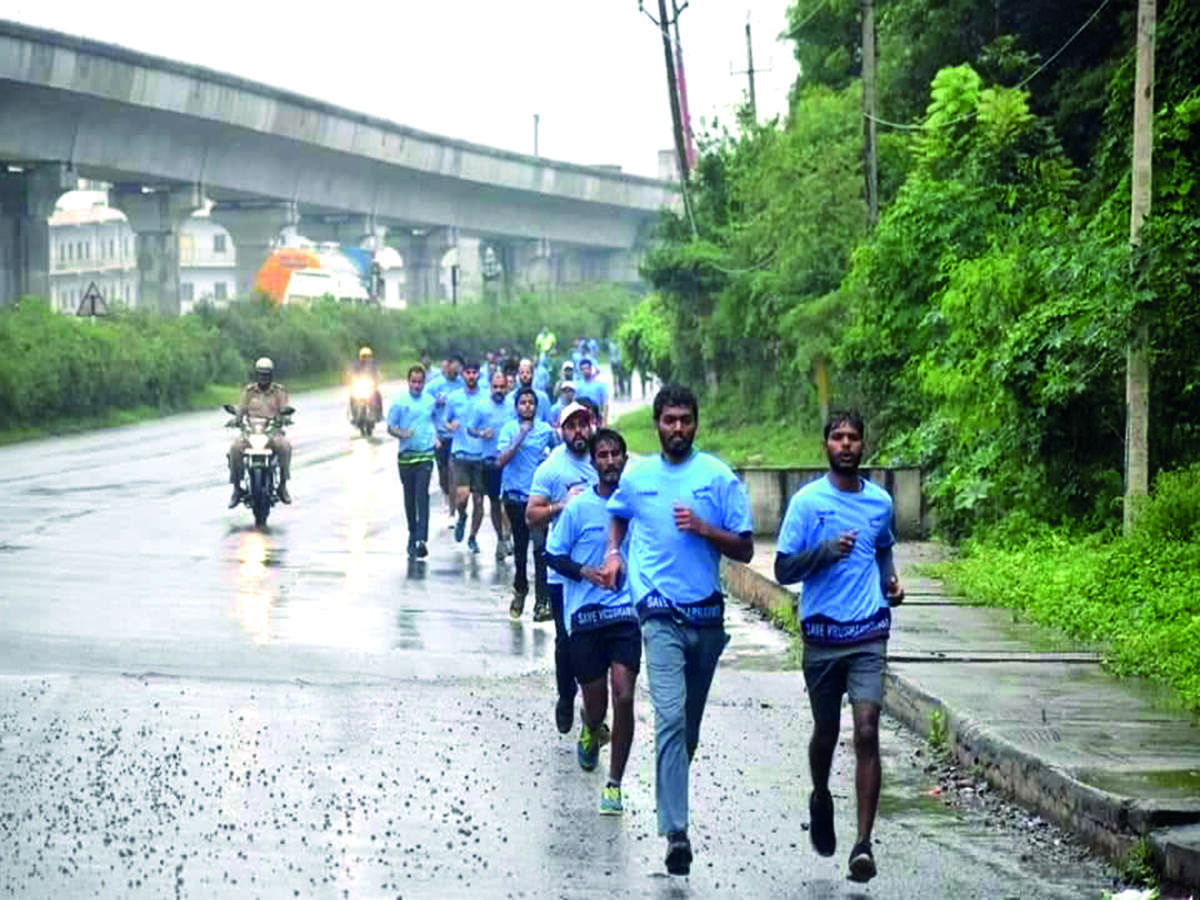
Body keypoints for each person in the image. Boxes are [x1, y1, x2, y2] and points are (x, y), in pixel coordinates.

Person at [599, 383, 754, 876]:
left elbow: (746, 549)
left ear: (696, 423)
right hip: (658, 613)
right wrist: (613, 552)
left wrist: (707, 529)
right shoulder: (639, 476)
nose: (678, 428)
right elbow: (618, 515)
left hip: (706, 617)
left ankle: (672, 785)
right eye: (669, 420)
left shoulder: (718, 478)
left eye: (686, 419)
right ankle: (677, 833)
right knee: (668, 718)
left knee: (686, 729)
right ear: (657, 423)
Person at [773, 409, 904, 884]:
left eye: (853, 438)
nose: (846, 444)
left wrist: (890, 580)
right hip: (823, 635)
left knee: (867, 730)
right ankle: (821, 794)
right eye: (837, 437)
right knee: (826, 731)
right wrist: (826, 551)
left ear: (864, 445)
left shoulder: (880, 502)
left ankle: (863, 845)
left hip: (869, 630)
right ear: (825, 445)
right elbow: (784, 569)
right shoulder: (808, 503)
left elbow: (883, 546)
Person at [545, 428, 639, 814]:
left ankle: (614, 785)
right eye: (603, 455)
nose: (610, 461)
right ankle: (590, 728)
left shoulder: (636, 504)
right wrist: (584, 572)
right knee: (596, 706)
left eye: (616, 454)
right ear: (594, 462)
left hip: (625, 616)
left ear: (625, 459)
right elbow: (553, 556)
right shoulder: (579, 507)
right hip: (584, 618)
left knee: (625, 695)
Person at [527, 402, 598, 724]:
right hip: (563, 572)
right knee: (566, 638)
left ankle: (594, 703)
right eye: (571, 426)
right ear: (561, 430)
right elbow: (532, 515)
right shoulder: (551, 468)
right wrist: (561, 505)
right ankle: (566, 695)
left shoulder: (605, 459)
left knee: (598, 638)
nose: (578, 431)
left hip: (600, 570)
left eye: (583, 424)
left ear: (592, 425)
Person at [497, 387, 558, 618]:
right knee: (520, 550)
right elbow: (501, 460)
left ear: (536, 406)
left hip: (538, 500)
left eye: (531, 403)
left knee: (540, 549)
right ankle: (520, 588)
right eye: (522, 403)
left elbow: (558, 453)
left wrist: (548, 457)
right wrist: (520, 436)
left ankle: (542, 602)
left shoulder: (545, 430)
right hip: (514, 498)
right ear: (516, 407)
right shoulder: (508, 429)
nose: (527, 406)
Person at [387, 365, 437, 559]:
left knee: (422, 494)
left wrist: (439, 435)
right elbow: (391, 427)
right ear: (408, 382)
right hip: (406, 456)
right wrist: (402, 433)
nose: (417, 385)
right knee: (409, 497)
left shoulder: (430, 401)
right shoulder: (400, 402)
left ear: (424, 382)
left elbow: (438, 419)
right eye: (413, 382)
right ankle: (412, 532)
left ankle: (422, 539)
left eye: (420, 382)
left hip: (425, 455)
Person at [228, 357, 293, 507]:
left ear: (271, 375)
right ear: (256, 375)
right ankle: (237, 489)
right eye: (261, 374)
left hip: (272, 431)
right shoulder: (249, 391)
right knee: (234, 448)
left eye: (266, 375)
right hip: (251, 432)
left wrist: (285, 418)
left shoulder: (279, 391)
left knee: (285, 447)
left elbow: (285, 409)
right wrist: (236, 419)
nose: (263, 378)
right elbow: (242, 409)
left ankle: (282, 486)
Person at [466, 369, 513, 558]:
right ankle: (500, 538)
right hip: (490, 462)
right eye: (495, 387)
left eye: (502, 387)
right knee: (495, 502)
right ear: (490, 387)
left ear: (508, 387)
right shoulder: (481, 407)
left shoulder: (512, 406)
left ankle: (509, 534)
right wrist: (480, 434)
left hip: (511, 462)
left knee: (509, 502)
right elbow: (470, 428)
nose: (499, 390)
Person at [446, 361, 485, 548]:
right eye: (468, 372)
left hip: (481, 454)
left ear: (479, 375)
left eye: (474, 372)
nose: (471, 376)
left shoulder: (486, 396)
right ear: (463, 375)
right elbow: (446, 420)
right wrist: (450, 426)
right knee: (462, 495)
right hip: (460, 452)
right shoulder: (454, 398)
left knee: (478, 499)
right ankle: (461, 515)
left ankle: (473, 537)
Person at [425, 355, 463, 515]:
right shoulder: (434, 386)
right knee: (443, 473)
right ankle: (447, 493)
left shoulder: (462, 385)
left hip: (457, 438)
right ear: (447, 365)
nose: (457, 371)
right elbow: (425, 412)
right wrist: (433, 435)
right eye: (455, 367)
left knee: (453, 471)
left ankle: (455, 509)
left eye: (460, 368)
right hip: (441, 436)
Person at [509, 359, 552, 424]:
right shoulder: (510, 397)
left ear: (533, 374)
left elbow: (548, 421)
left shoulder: (543, 397)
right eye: (522, 373)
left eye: (528, 372)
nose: (525, 375)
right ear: (518, 375)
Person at [349, 346, 383, 419]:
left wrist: (376, 382)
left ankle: (379, 413)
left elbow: (378, 374)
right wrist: (351, 381)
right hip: (359, 385)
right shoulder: (356, 365)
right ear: (361, 357)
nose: (366, 358)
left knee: (377, 394)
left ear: (371, 357)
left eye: (368, 356)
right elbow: (351, 374)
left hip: (371, 386)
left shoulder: (373, 365)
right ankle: (353, 414)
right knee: (352, 396)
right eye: (364, 356)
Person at [575, 358, 610, 426]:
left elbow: (605, 403)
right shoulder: (578, 386)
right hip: (582, 417)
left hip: (597, 416)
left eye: (587, 368)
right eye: (583, 369)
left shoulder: (600, 384)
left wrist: (605, 421)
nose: (585, 371)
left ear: (591, 369)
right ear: (580, 371)